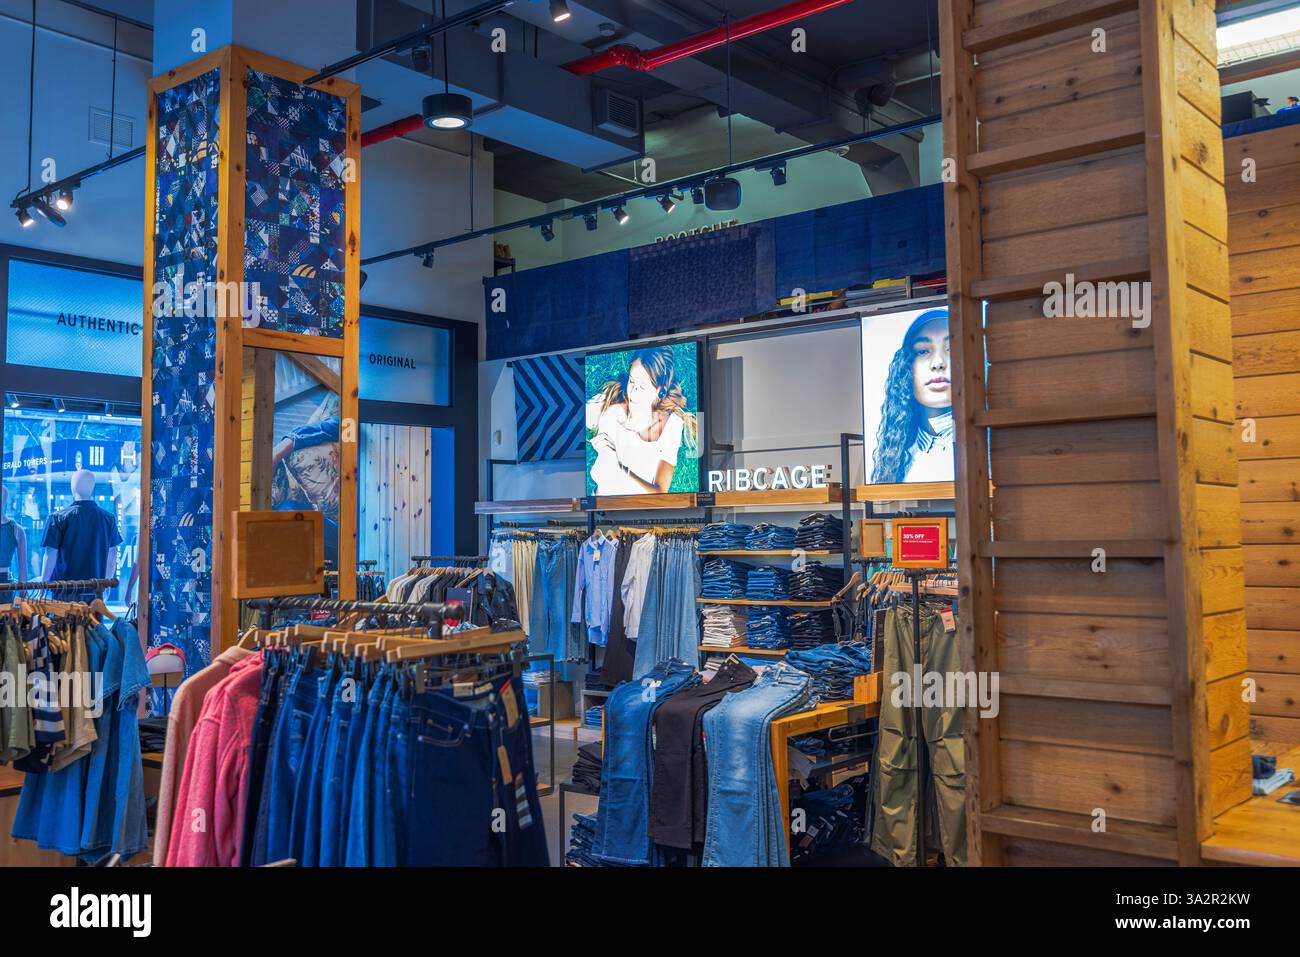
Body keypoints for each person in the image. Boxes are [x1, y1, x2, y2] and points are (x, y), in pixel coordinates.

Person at [587, 346, 699, 495]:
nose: (634, 392)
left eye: (643, 386)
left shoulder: (671, 424)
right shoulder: (608, 408)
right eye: (632, 381)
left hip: (638, 508)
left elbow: (660, 493)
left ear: (660, 390)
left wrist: (619, 467)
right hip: (602, 507)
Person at [869, 309, 954, 485]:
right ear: (907, 367)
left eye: (951, 349)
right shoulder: (895, 459)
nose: (938, 363)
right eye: (923, 351)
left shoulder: (990, 452)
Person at [41, 469, 122, 595]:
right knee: (94, 615)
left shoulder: (57, 518)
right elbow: (112, 556)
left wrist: (43, 587)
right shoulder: (108, 519)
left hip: (64, 592)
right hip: (95, 592)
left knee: (62, 615)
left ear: (72, 487)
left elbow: (50, 555)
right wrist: (106, 586)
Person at [0, 486, 29, 585]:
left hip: (6, 584)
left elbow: (23, 570)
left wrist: (22, 596)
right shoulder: (17, 529)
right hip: (6, 583)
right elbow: (23, 571)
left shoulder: (17, 529)